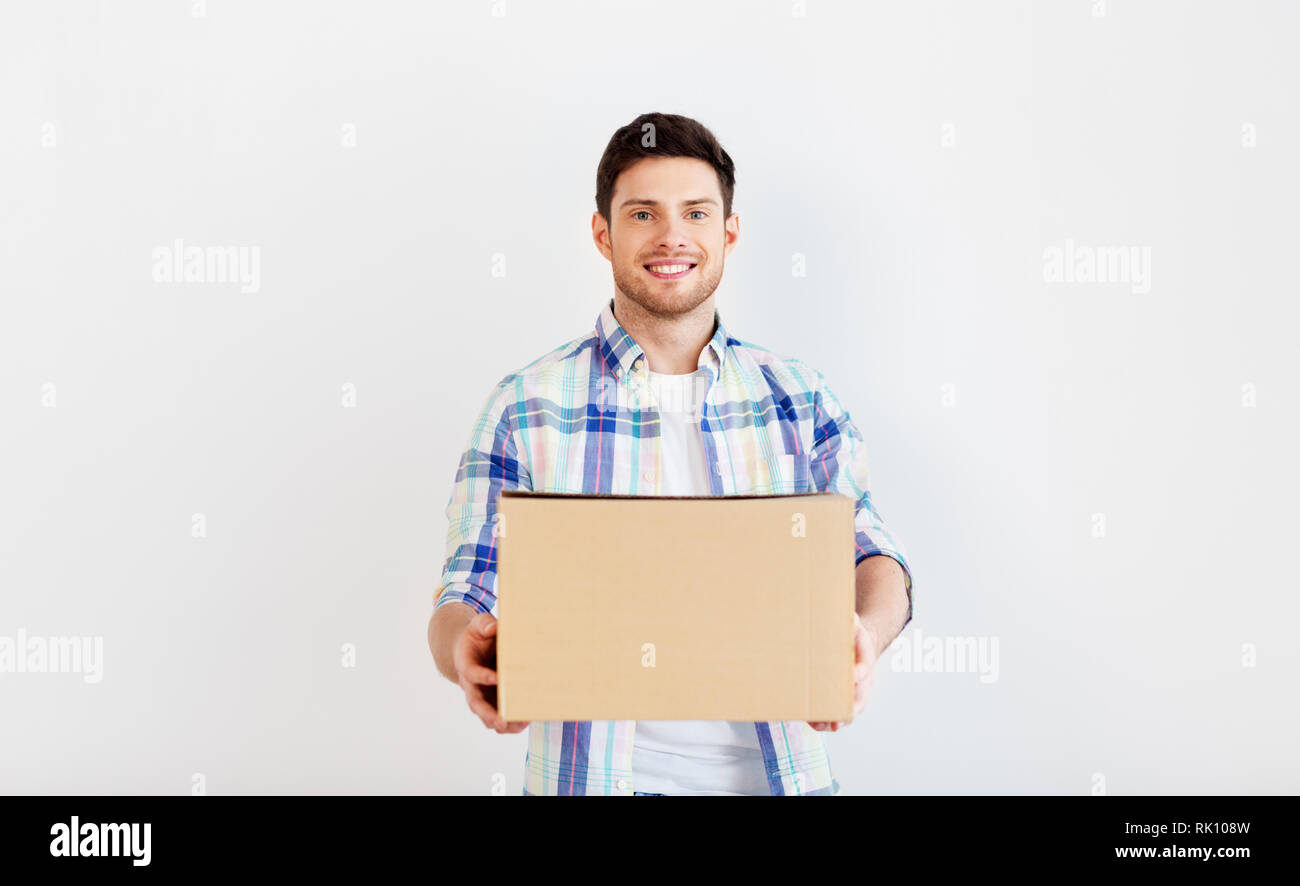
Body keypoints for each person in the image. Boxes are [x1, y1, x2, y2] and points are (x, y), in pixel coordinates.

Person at [427, 112, 913, 796]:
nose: (671, 236)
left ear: (728, 232)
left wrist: (863, 628)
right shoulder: (525, 404)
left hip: (779, 781)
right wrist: (461, 649)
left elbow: (873, 555)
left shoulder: (800, 397)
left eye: (695, 212)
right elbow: (464, 589)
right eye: (643, 214)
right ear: (604, 234)